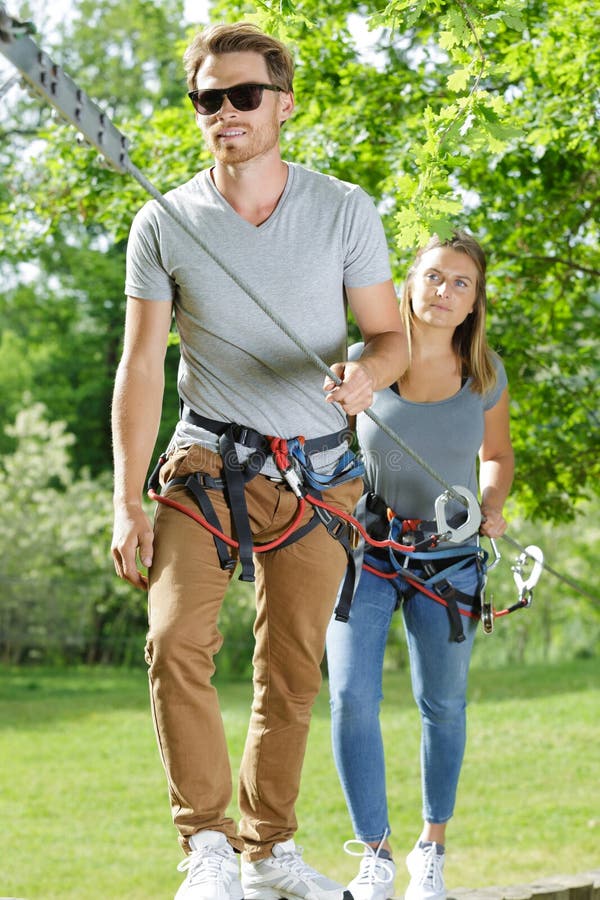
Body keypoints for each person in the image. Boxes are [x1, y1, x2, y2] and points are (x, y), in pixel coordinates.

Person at [110, 21, 408, 900]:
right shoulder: (163, 221)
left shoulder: (342, 209)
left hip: (320, 476)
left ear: (284, 104)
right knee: (174, 640)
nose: (226, 112)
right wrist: (126, 500)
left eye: (244, 95)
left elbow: (389, 336)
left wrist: (368, 375)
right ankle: (207, 845)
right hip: (206, 463)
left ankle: (268, 851)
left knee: (292, 670)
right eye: (209, 98)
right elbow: (141, 367)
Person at [326, 231, 515, 900]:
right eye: (434, 276)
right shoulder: (359, 363)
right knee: (350, 696)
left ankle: (430, 849)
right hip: (367, 554)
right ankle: (374, 855)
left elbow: (497, 457)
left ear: (474, 302)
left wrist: (492, 503)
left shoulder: (484, 374)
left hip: (450, 563)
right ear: (407, 285)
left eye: (461, 283)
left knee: (444, 705)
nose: (445, 291)